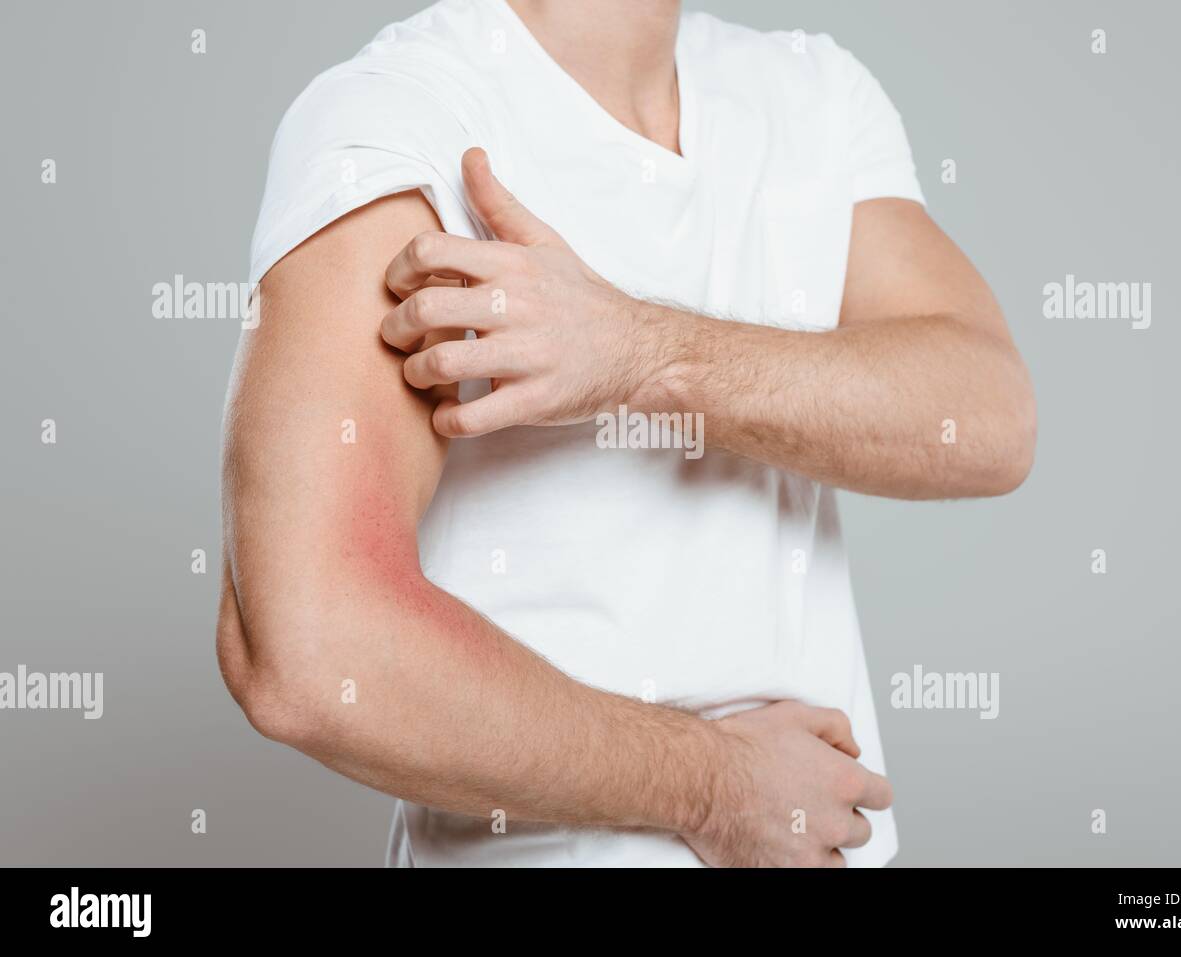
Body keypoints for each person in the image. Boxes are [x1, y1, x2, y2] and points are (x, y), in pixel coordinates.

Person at [217, 0, 1035, 867]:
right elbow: (310, 648)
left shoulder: (815, 94)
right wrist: (715, 786)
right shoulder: (402, 116)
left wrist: (642, 355)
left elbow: (990, 416)